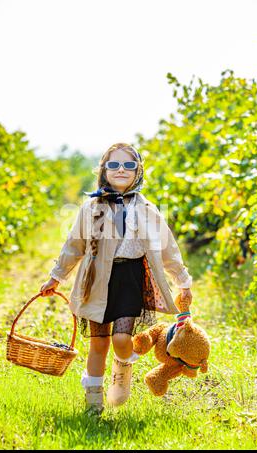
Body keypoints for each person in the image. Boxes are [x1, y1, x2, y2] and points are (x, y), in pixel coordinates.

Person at [40, 142, 193, 416]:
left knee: (123, 338)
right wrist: (56, 277)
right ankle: (94, 403)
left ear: (138, 170)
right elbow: (74, 245)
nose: (121, 170)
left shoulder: (147, 209)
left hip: (130, 278)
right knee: (99, 343)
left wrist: (182, 278)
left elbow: (166, 245)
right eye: (114, 165)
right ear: (104, 170)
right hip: (97, 280)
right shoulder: (92, 207)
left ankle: (123, 365)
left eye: (128, 165)